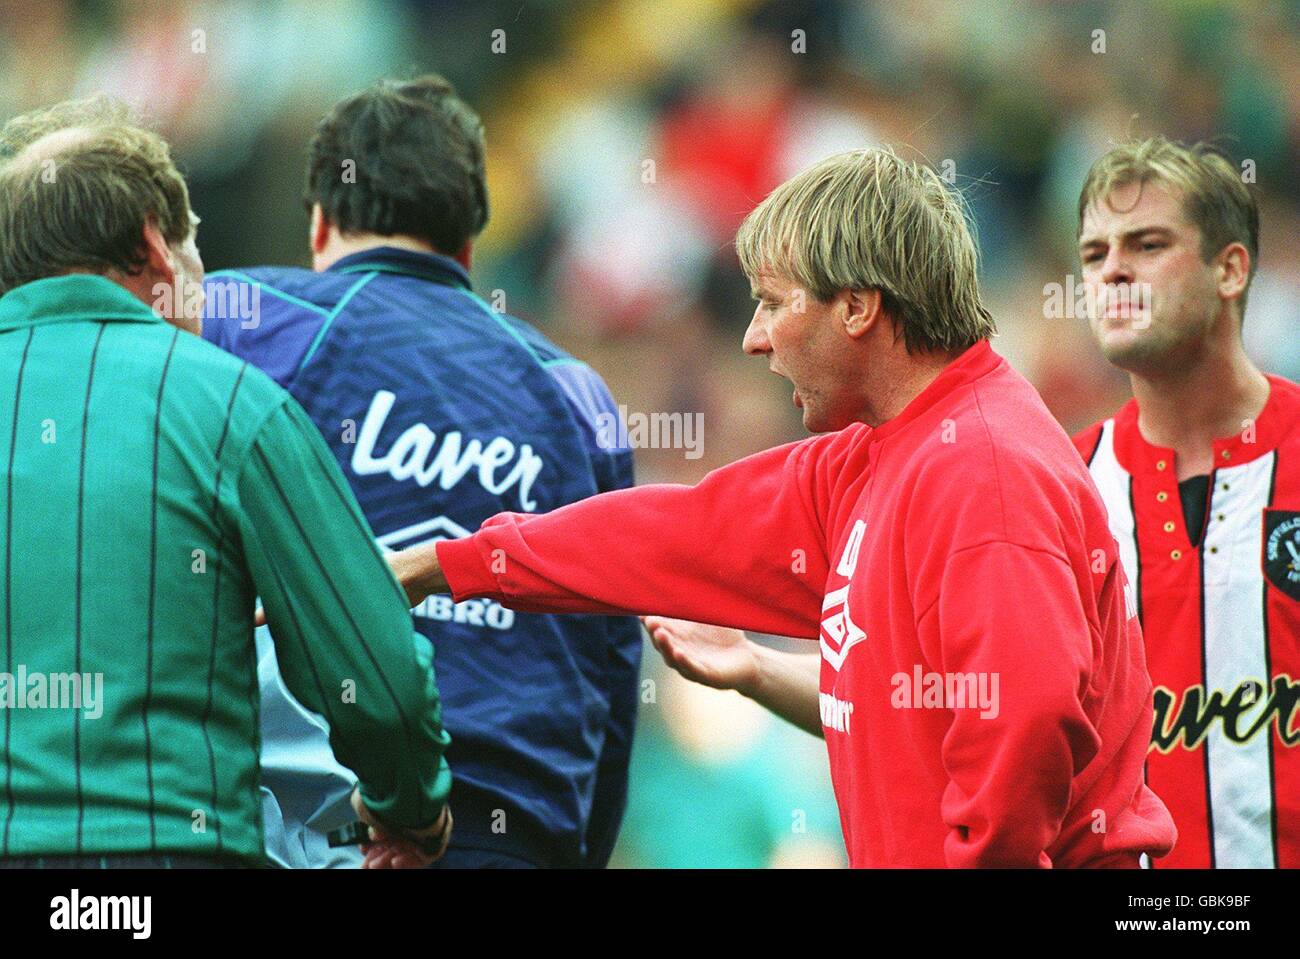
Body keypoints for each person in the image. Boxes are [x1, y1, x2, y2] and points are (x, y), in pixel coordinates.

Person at [384, 147, 1178, 868]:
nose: (754, 338)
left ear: (858, 307)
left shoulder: (984, 471)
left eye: (771, 302)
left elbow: (1027, 721)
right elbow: (671, 532)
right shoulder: (877, 454)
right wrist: (445, 565)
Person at [0, 97, 451, 869]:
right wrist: (409, 806)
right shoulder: (232, 403)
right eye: (195, 247)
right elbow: (376, 677)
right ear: (156, 246)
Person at [203, 75, 641, 869]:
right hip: (518, 829)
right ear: (469, 244)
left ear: (320, 222)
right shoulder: (579, 395)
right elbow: (614, 657)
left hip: (303, 824)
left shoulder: (242, 317)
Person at [1071, 137, 1300, 868]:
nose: (1114, 270)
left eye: (1147, 243)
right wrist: (755, 669)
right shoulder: (1061, 488)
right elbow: (940, 701)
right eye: (1094, 253)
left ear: (1230, 268)